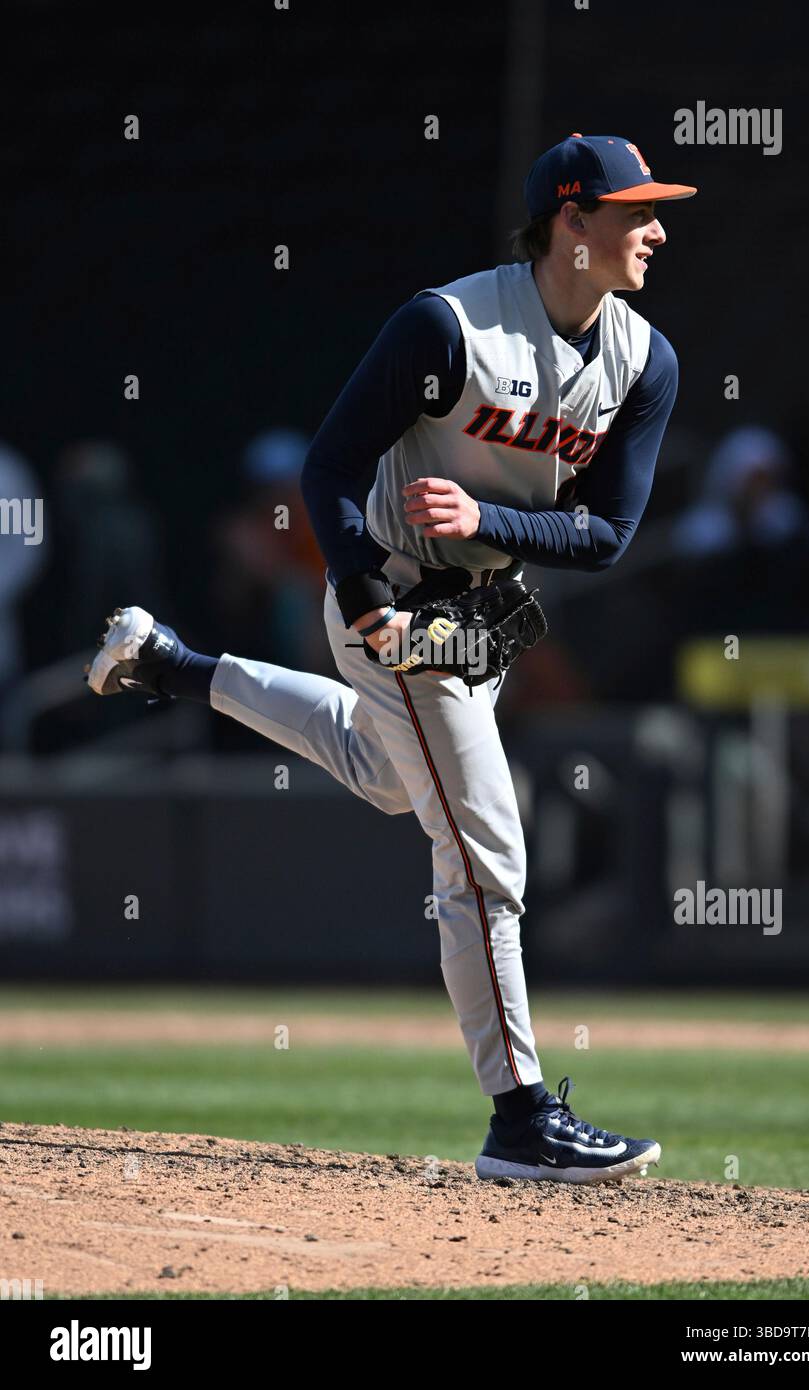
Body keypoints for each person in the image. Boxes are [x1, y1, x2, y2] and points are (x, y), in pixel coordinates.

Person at [86, 134, 696, 1184]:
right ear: (569, 220)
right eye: (633, 210)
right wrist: (363, 589)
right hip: (399, 599)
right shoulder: (450, 327)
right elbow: (331, 460)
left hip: (487, 611)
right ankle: (518, 1118)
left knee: (385, 774)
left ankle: (168, 663)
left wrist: (490, 514)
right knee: (483, 850)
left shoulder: (645, 362)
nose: (654, 230)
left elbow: (604, 536)